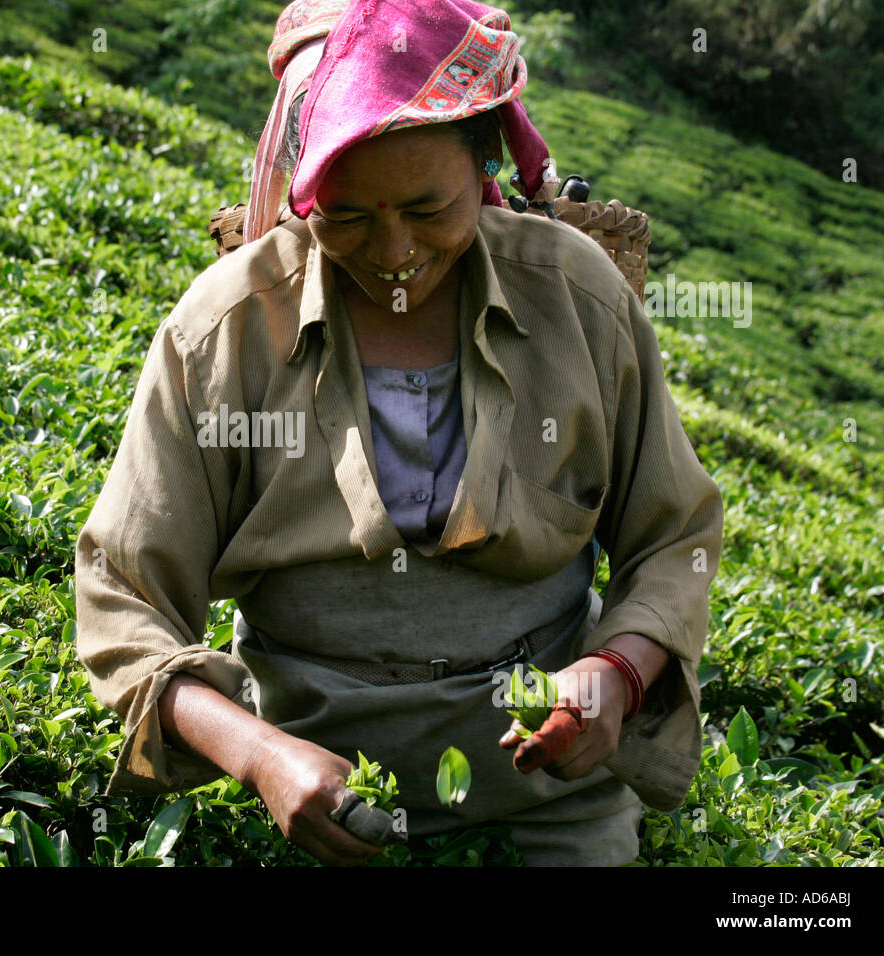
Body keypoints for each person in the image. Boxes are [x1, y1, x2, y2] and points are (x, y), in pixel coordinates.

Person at [74, 0, 724, 866]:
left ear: (484, 160)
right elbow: (123, 595)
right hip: (313, 789)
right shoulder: (224, 331)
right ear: (302, 187)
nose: (392, 251)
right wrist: (259, 756)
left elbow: (672, 535)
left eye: (427, 208)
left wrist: (618, 674)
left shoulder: (577, 297)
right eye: (344, 215)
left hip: (549, 793)